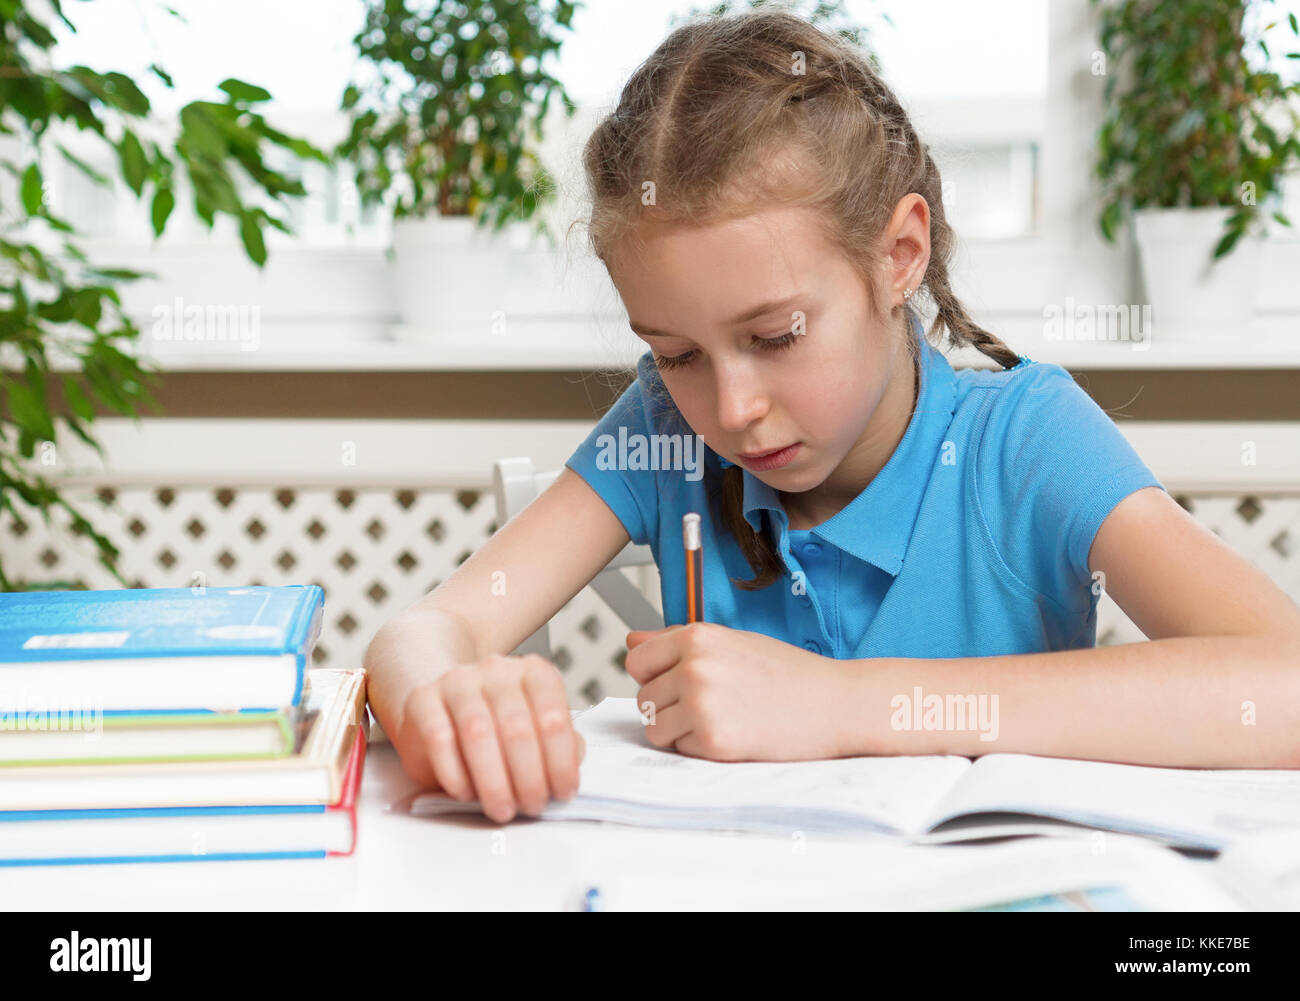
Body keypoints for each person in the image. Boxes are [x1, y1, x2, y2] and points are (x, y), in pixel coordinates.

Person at [364, 11, 1300, 825]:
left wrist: (843, 704)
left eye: (776, 336)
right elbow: (419, 634)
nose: (730, 410)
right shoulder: (662, 429)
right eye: (677, 353)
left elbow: (1284, 687)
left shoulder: (1023, 440)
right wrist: (452, 697)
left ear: (899, 256)